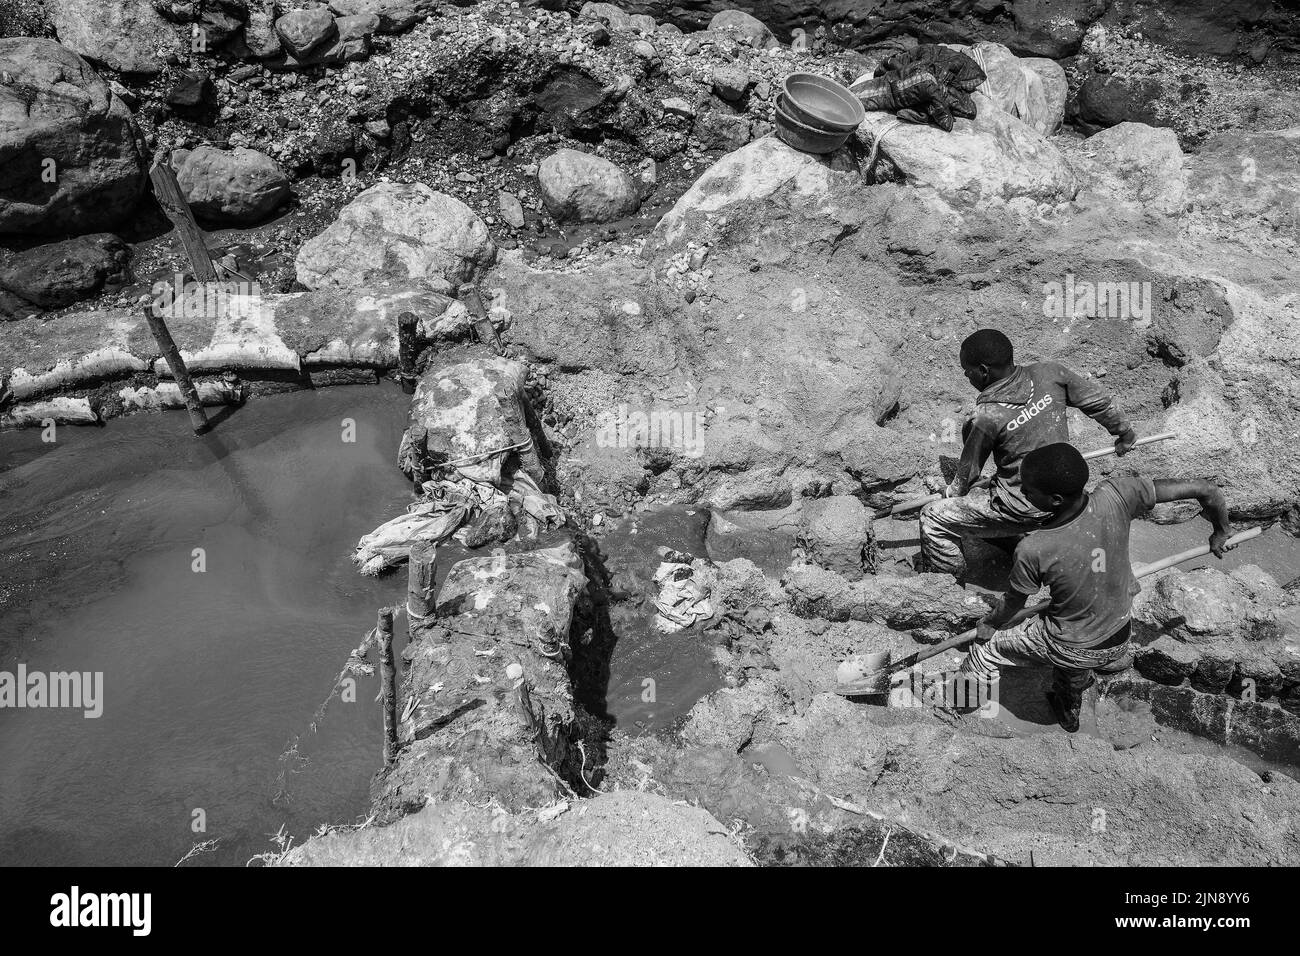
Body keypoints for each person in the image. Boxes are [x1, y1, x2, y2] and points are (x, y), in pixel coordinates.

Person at [958, 442, 1234, 732]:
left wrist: (988, 624)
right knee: (1072, 663)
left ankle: (959, 704)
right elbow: (1207, 490)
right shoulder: (1118, 494)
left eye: (1027, 490)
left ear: (1054, 500)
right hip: (1119, 632)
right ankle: (1068, 708)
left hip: (1075, 645)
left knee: (987, 648)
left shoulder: (1034, 548)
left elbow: (1012, 605)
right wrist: (1221, 530)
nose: (1022, 493)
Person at [919, 329, 1139, 579]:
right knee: (988, 486)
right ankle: (1011, 540)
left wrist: (947, 495)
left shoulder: (986, 417)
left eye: (967, 370)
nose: (966, 375)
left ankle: (943, 584)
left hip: (1025, 507)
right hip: (1067, 496)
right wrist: (1125, 433)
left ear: (983, 370)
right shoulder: (1050, 373)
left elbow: (966, 476)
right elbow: (1100, 402)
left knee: (933, 518)